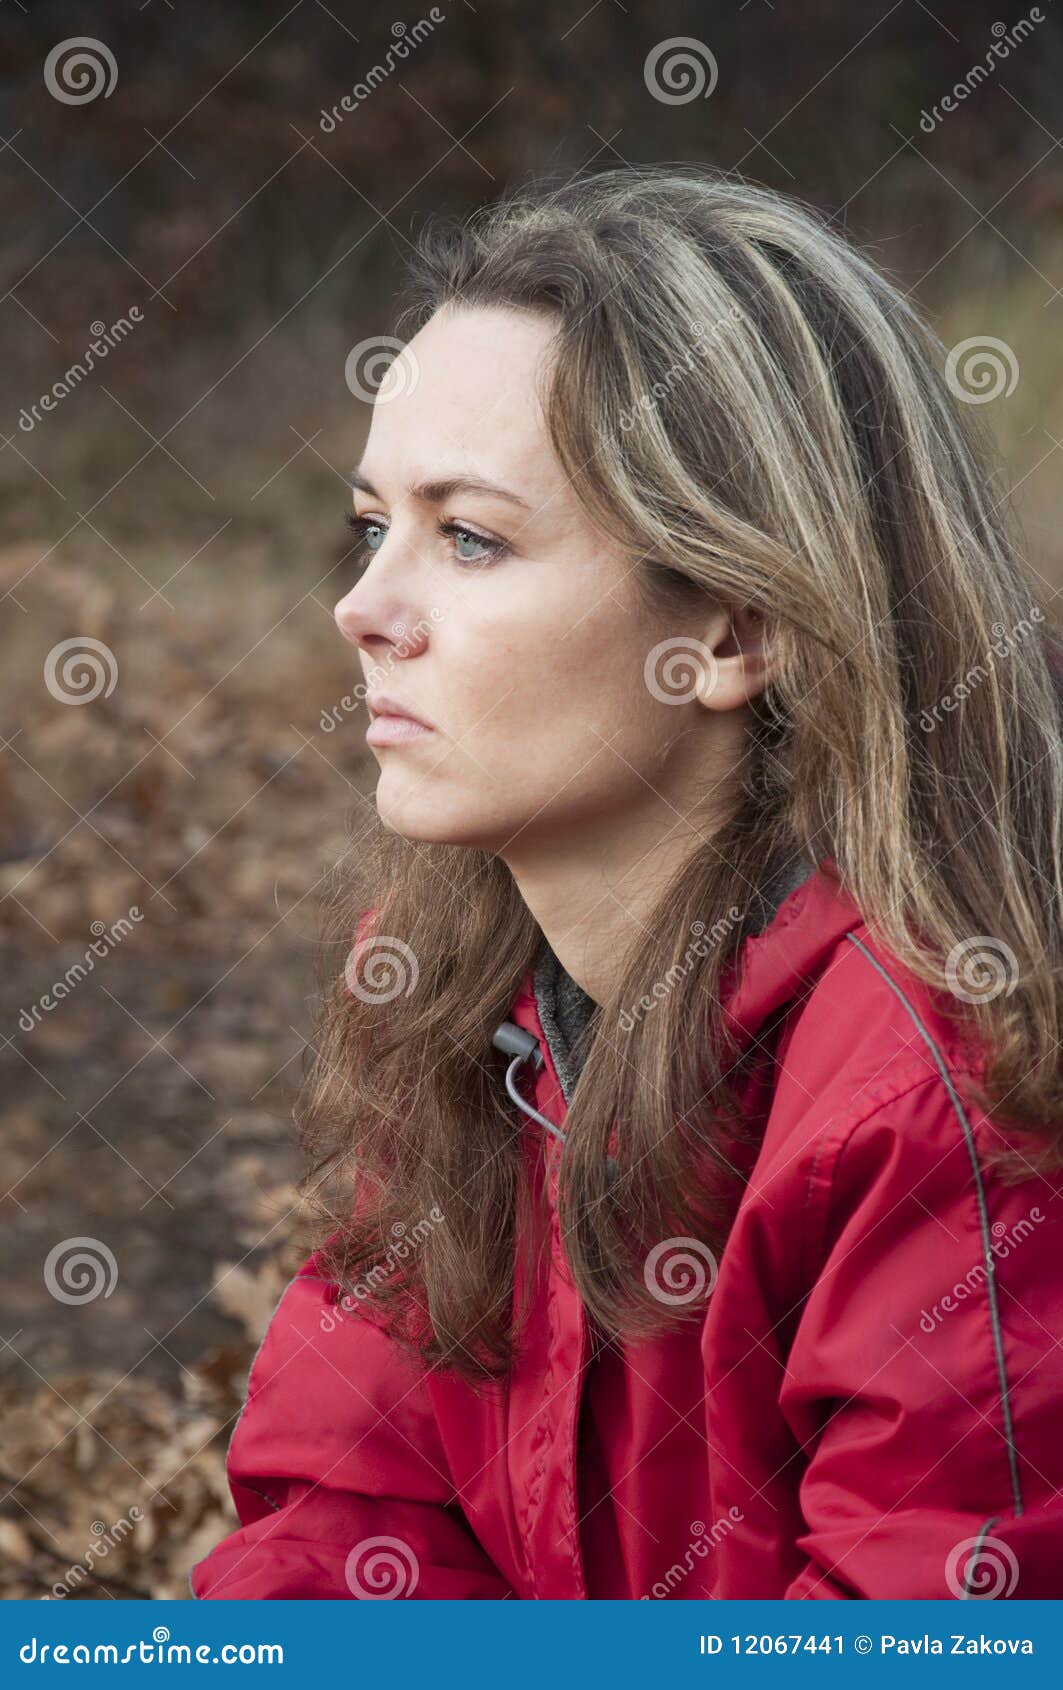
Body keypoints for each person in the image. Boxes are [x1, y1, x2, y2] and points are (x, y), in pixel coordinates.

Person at [192, 164, 1063, 1600]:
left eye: (468, 537)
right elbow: (347, 1514)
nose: (364, 610)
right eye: (372, 525)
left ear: (731, 626)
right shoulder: (462, 987)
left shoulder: (941, 1096)